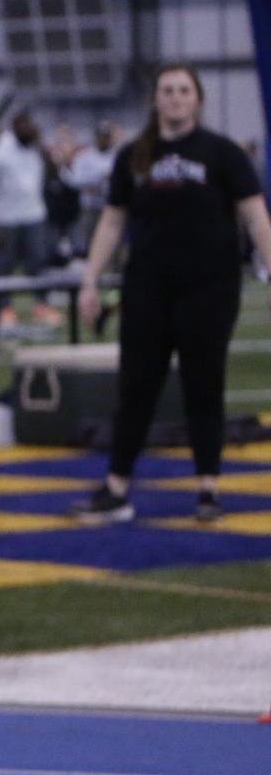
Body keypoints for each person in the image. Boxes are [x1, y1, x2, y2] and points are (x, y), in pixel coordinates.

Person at [71, 66, 271, 525]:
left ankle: (208, 488)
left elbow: (256, 217)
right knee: (136, 386)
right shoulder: (134, 156)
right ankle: (117, 489)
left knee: (205, 384)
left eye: (184, 90)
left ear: (197, 99)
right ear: (155, 100)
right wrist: (90, 280)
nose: (176, 98)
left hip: (210, 288)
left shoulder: (222, 153)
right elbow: (113, 220)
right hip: (147, 288)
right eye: (167, 90)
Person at [0, 112, 54, 331]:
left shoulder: (36, 148)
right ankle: (5, 308)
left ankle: (42, 306)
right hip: (6, 217)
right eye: (24, 125)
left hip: (34, 214)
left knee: (38, 261)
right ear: (15, 126)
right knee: (4, 266)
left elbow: (54, 171)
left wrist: (43, 149)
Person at [65, 120, 120, 253]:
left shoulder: (118, 156)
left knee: (113, 244)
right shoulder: (85, 157)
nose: (104, 140)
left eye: (107, 136)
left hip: (111, 206)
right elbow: (75, 180)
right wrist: (100, 177)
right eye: (102, 136)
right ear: (96, 137)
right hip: (90, 206)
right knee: (90, 243)